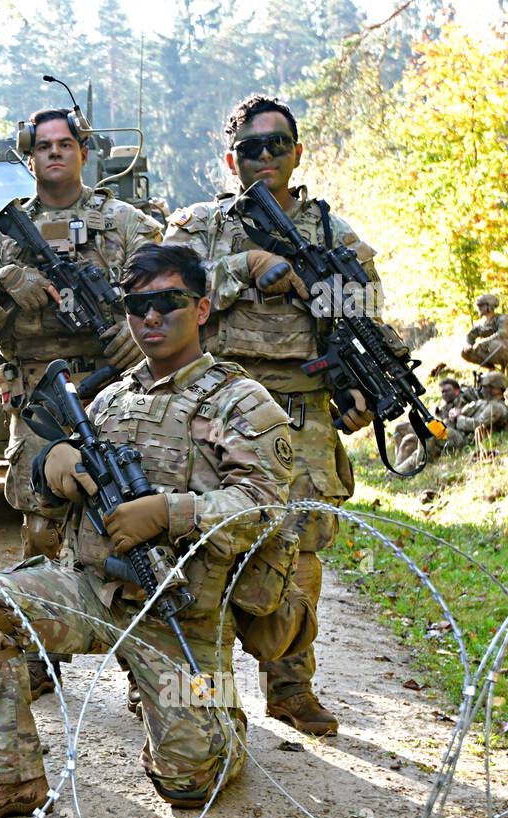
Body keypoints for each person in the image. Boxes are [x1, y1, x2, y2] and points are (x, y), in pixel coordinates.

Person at [0, 244, 296, 818]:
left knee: (188, 779)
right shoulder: (108, 398)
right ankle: (11, 780)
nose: (150, 317)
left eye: (167, 302)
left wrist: (167, 513)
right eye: (137, 305)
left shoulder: (240, 401)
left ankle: (219, 719)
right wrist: (52, 468)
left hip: (179, 612)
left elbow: (264, 508)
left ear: (202, 309)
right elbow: (53, 487)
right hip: (94, 594)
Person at [163, 94, 407, 736]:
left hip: (301, 414)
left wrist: (359, 397)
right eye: (251, 147)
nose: (265, 156)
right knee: (197, 562)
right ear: (230, 158)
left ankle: (292, 688)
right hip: (208, 416)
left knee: (296, 559)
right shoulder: (197, 228)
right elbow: (157, 300)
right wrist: (244, 268)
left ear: (298, 152)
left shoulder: (335, 236)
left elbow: (365, 325)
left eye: (278, 145)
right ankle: (197, 701)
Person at [0, 105, 163, 698]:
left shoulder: (126, 222)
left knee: (132, 519)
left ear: (83, 151)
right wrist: (7, 285)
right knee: (41, 526)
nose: (54, 152)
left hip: (122, 390)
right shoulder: (5, 235)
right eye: (43, 145)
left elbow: (169, 289)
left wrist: (139, 327)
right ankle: (35, 649)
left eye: (65, 143)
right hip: (42, 398)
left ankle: (145, 658)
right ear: (30, 157)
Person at [462, 294, 508, 375]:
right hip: (491, 349)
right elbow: (470, 336)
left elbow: (503, 334)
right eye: (478, 306)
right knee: (465, 352)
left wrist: (483, 342)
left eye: (481, 305)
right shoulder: (481, 323)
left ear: (490, 306)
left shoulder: (503, 318)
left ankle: (504, 369)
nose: (478, 308)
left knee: (494, 345)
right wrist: (469, 345)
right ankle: (492, 369)